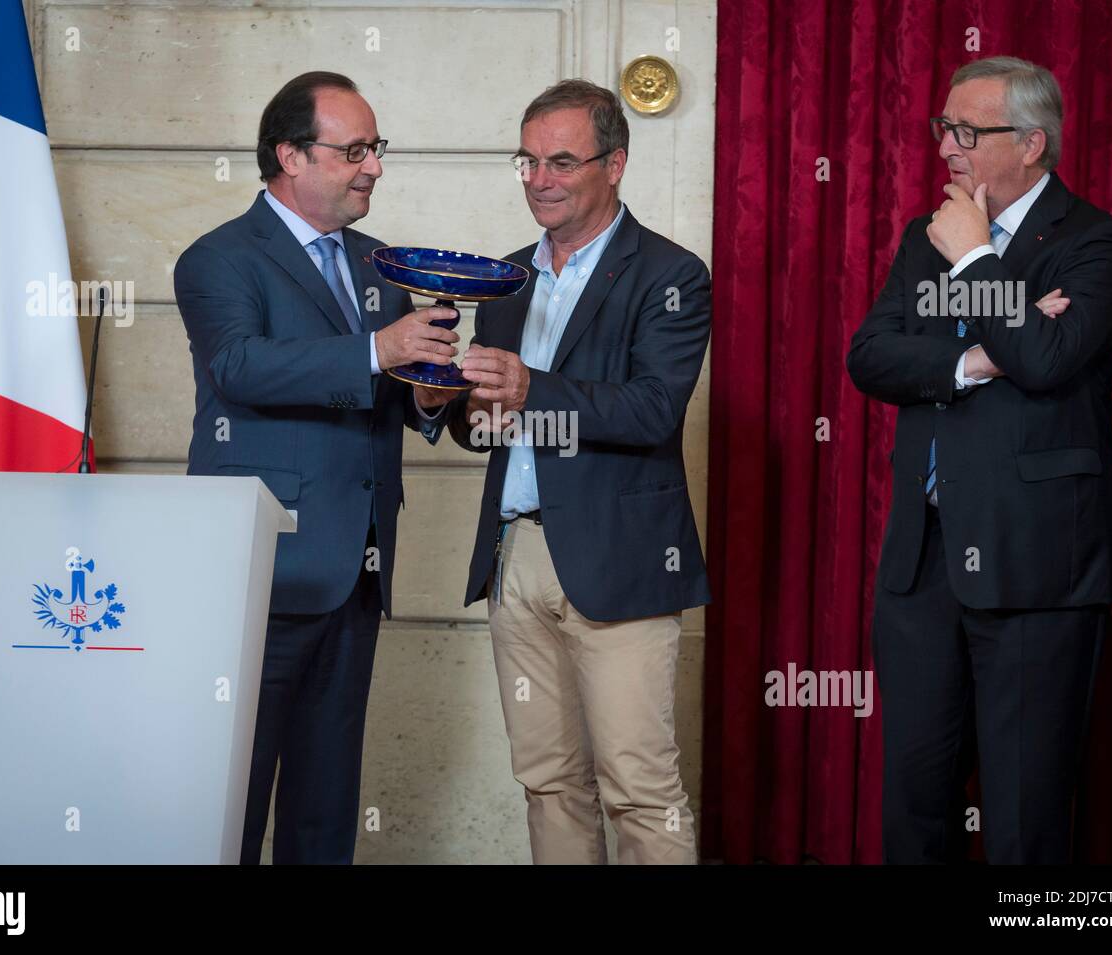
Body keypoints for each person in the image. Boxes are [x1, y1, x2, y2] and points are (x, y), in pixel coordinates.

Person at [846, 56, 1112, 864]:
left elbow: (1046, 360)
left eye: (967, 131)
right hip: (924, 560)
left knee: (1024, 812)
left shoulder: (1094, 241)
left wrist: (977, 263)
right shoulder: (923, 236)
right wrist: (976, 360)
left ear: (1033, 143)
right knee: (914, 798)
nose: (946, 147)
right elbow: (870, 357)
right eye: (944, 127)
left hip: (1037, 560)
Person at [175, 71, 461, 864]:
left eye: (377, 149)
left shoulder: (383, 264)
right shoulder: (219, 259)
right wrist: (381, 349)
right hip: (261, 570)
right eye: (354, 150)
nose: (373, 167)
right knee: (229, 801)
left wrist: (432, 390)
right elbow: (240, 366)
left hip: (358, 570)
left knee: (326, 803)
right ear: (290, 155)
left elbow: (397, 399)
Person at [448, 79, 711, 864]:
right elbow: (488, 424)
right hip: (515, 556)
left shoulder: (670, 274)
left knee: (640, 787)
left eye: (561, 161)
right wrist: (444, 403)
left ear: (616, 163)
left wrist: (531, 388)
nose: (539, 179)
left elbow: (652, 411)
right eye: (526, 161)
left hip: (621, 558)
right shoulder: (502, 277)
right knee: (548, 781)